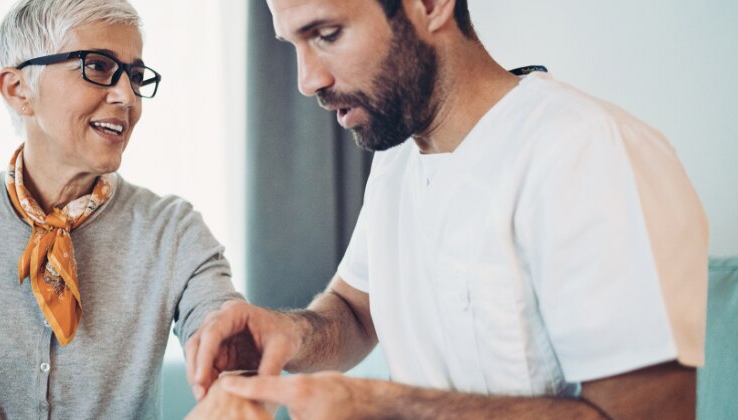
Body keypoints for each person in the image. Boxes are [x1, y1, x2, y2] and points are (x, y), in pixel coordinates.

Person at [186, 0, 708, 418]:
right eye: (293, 43)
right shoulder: (396, 160)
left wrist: (380, 409)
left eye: (326, 34)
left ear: (431, 6)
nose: (308, 80)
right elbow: (353, 312)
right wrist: (288, 333)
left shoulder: (589, 152)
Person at [0, 0, 246, 418]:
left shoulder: (174, 230)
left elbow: (228, 342)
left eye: (136, 77)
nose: (127, 98)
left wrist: (232, 373)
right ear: (19, 91)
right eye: (99, 67)